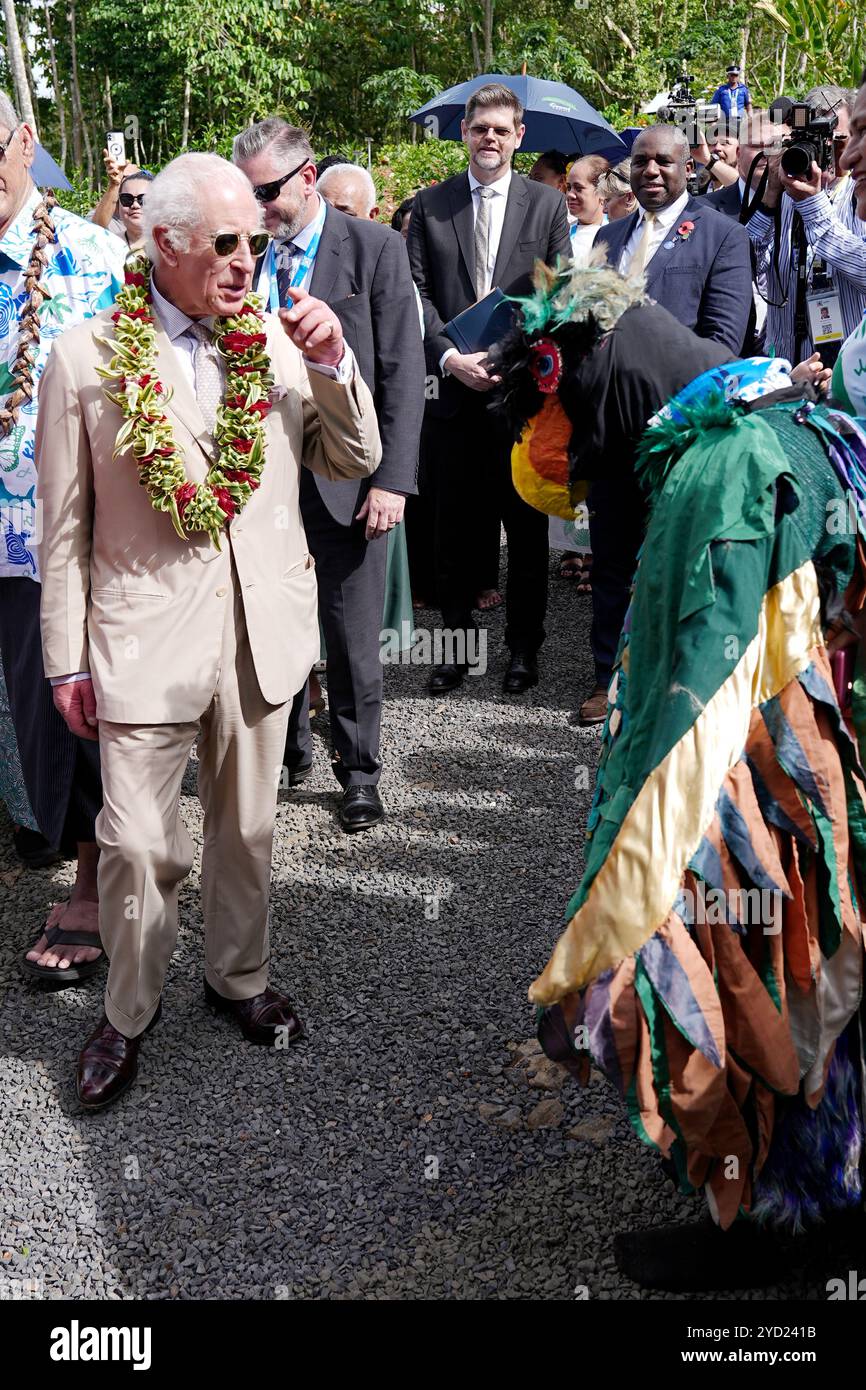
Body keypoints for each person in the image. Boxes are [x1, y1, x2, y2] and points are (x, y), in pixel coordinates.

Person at [496, 255, 865, 1292]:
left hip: (748, 783)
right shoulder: (773, 406)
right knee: (821, 980)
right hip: (818, 773)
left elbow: (685, 703)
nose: (552, 443)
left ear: (599, 374)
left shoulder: (714, 474)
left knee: (738, 977)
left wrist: (626, 891)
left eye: (555, 405)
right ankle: (825, 1199)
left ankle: (763, 1221)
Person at [35, 152, 382, 1110]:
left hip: (263, 626)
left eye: (257, 243)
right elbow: (62, 531)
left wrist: (331, 361)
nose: (246, 262)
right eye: (226, 244)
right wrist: (65, 659)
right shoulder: (85, 359)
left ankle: (238, 978)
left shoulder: (274, 342)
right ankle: (127, 1009)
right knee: (141, 843)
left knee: (250, 829)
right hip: (141, 640)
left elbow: (355, 454)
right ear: (165, 244)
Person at [233, 120, 425, 832]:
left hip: (350, 480)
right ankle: (288, 748)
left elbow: (404, 369)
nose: (256, 207)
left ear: (308, 178)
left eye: (267, 192)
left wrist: (392, 481)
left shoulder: (374, 248)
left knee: (348, 636)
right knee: (272, 624)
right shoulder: (243, 257)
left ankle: (360, 772)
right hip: (263, 484)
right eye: (245, 193)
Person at [0, 90, 125, 982]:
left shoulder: (97, 257)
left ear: (23, 140)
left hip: (59, 545)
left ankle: (90, 882)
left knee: (70, 715)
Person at [583, 124, 753, 726]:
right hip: (610, 428)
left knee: (679, 558)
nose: (651, 171)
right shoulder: (606, 235)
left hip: (682, 434)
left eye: (664, 162)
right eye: (640, 162)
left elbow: (724, 344)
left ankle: (673, 683)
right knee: (612, 557)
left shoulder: (723, 236)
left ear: (690, 167)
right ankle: (609, 679)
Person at [407, 82, 571, 695]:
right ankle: (453, 651)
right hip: (452, 395)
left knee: (526, 533)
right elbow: (415, 294)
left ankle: (523, 651)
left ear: (519, 136)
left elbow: (558, 291)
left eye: (502, 130)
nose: (490, 139)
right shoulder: (430, 207)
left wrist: (513, 357)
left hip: (519, 396)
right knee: (452, 533)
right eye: (480, 129)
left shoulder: (546, 206)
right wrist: (449, 357)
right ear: (464, 133)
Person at [744, 86, 866, 365]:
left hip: (846, 374)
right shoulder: (785, 193)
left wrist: (813, 206)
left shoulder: (861, 195)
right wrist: (770, 196)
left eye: (836, 140)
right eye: (813, 139)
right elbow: (746, 267)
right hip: (783, 368)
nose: (825, 150)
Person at [565, 155, 608, 266]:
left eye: (578, 188)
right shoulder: (561, 231)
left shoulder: (617, 233)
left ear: (601, 191)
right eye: (569, 187)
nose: (570, 194)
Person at [113, 169, 154, 249]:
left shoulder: (171, 244)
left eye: (143, 199)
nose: (135, 205)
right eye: (127, 199)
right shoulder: (110, 244)